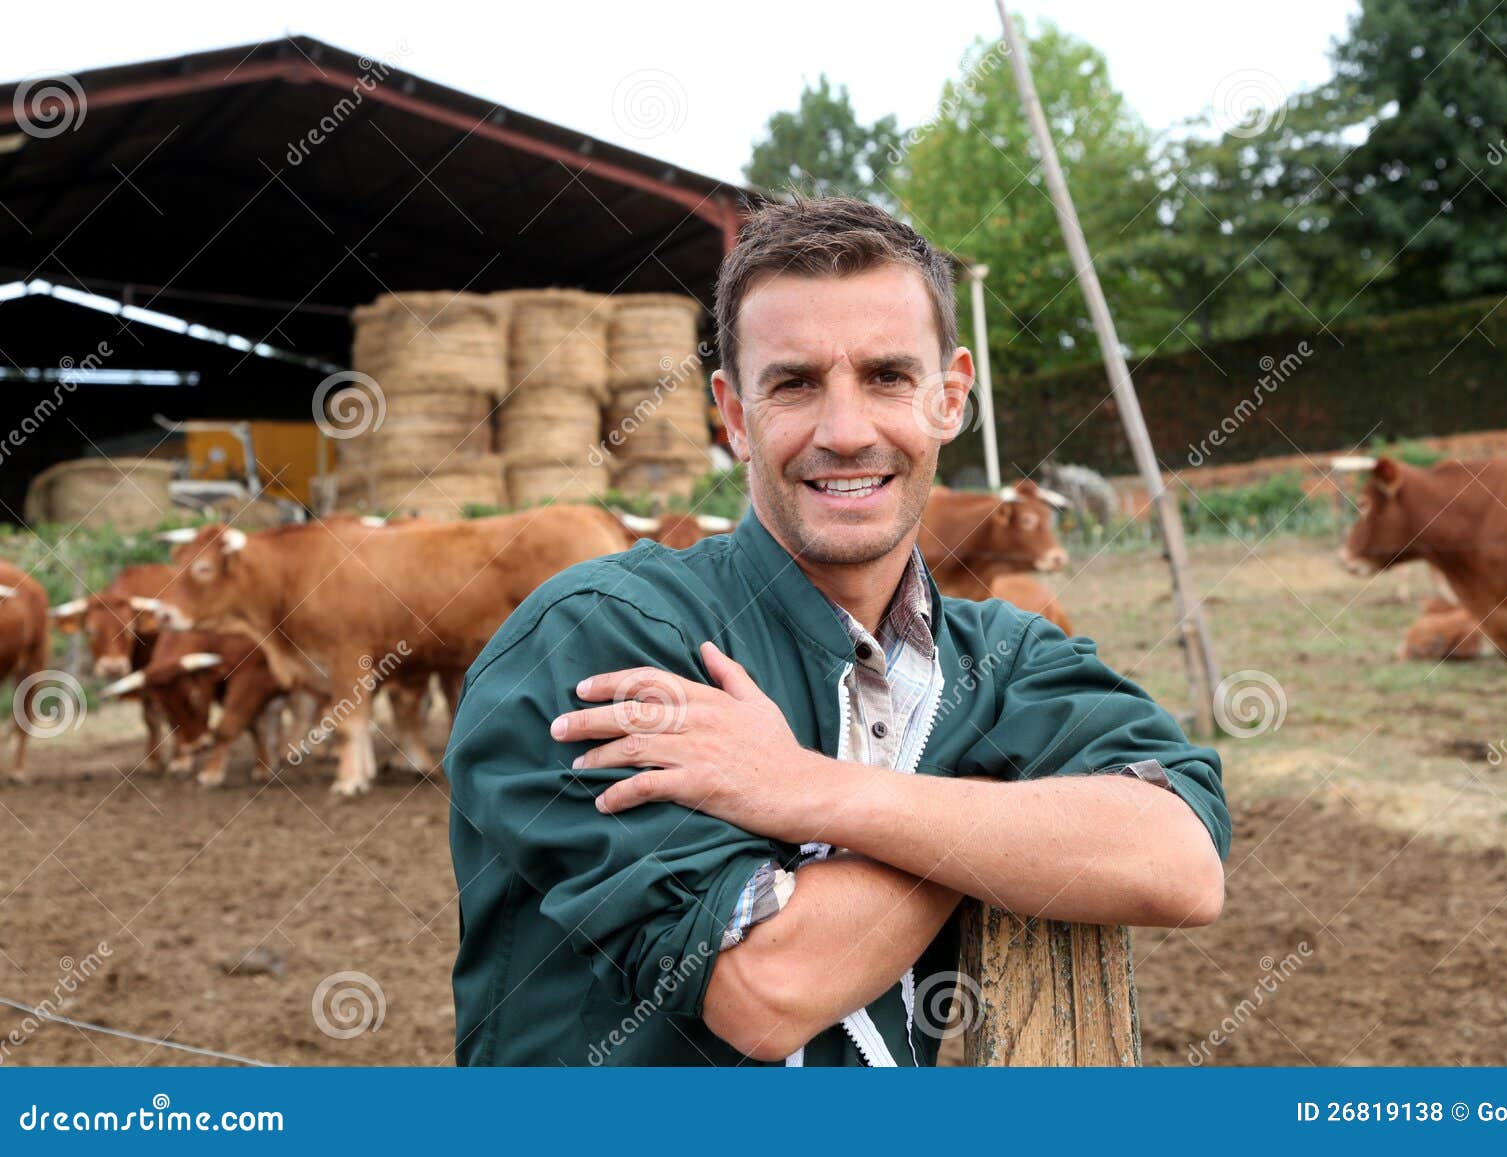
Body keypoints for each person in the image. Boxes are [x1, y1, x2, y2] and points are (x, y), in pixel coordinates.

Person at [444, 196, 1229, 1067]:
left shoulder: (1009, 655)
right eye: (795, 383)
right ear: (735, 416)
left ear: (950, 397)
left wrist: (809, 787)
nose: (846, 432)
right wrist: (999, 823)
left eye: (889, 376)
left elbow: (1180, 861)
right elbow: (768, 990)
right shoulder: (600, 635)